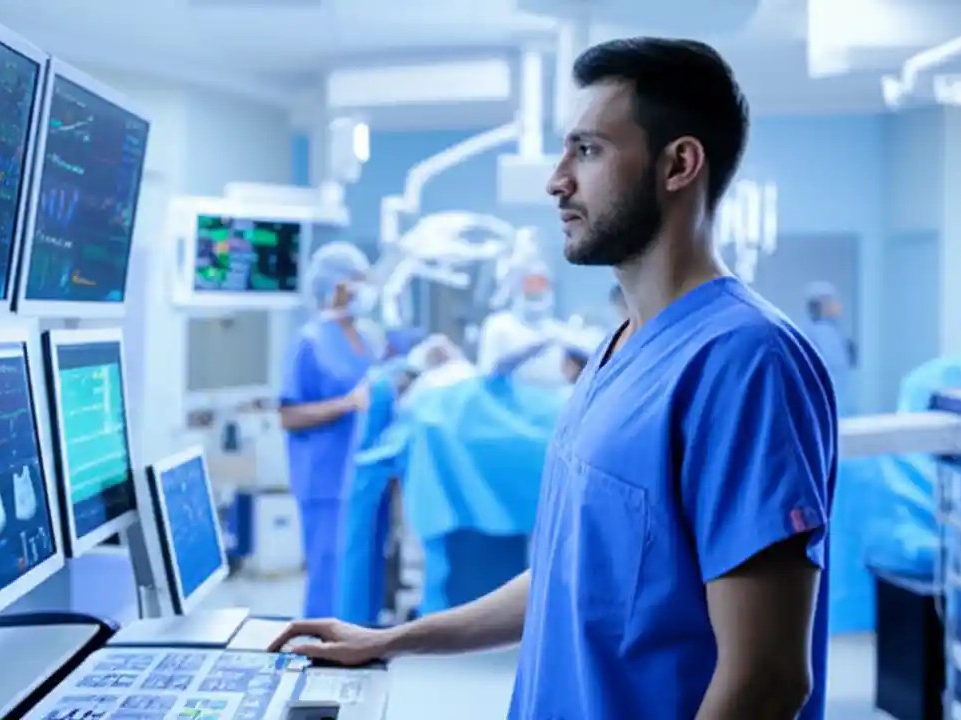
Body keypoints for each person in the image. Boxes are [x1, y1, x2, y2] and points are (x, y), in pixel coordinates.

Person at [271, 37, 838, 720]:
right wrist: (394, 639)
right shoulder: (616, 351)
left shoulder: (746, 363)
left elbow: (767, 679)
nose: (556, 179)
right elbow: (571, 580)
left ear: (679, 164)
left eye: (589, 150)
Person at [278, 242, 379, 619]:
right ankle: (322, 650)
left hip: (364, 476)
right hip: (325, 478)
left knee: (360, 574)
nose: (362, 289)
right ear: (335, 286)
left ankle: (363, 645)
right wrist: (346, 404)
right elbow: (288, 415)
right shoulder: (310, 341)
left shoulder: (367, 337)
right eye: (356, 281)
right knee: (329, 574)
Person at [476, 259, 566, 386]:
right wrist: (529, 352)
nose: (536, 290)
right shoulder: (498, 326)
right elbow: (488, 375)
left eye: (541, 284)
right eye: (530, 284)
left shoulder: (559, 334)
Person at [804, 281, 857, 415]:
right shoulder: (812, 333)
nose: (839, 306)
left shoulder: (836, 333)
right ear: (823, 305)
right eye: (834, 301)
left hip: (840, 404)